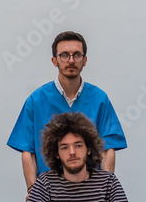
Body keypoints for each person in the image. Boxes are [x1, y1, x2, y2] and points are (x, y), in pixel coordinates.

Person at [7, 31, 127, 192]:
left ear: (85, 60)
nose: (71, 60)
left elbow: (108, 149)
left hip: (91, 192)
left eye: (77, 55)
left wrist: (105, 191)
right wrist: (32, 190)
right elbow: (28, 152)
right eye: (64, 55)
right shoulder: (36, 101)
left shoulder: (99, 99)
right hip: (49, 193)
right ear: (54, 61)